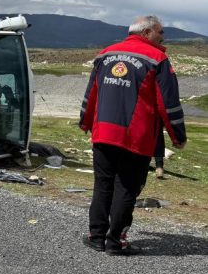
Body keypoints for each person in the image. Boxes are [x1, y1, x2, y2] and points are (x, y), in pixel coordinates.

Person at [79, 15, 187, 256]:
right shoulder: (158, 59)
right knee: (126, 188)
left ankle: (96, 237)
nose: (163, 37)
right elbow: (168, 103)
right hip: (135, 137)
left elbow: (91, 93)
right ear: (147, 32)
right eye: (160, 32)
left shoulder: (105, 54)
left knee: (103, 186)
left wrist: (85, 123)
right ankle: (116, 242)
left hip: (103, 134)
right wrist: (178, 137)